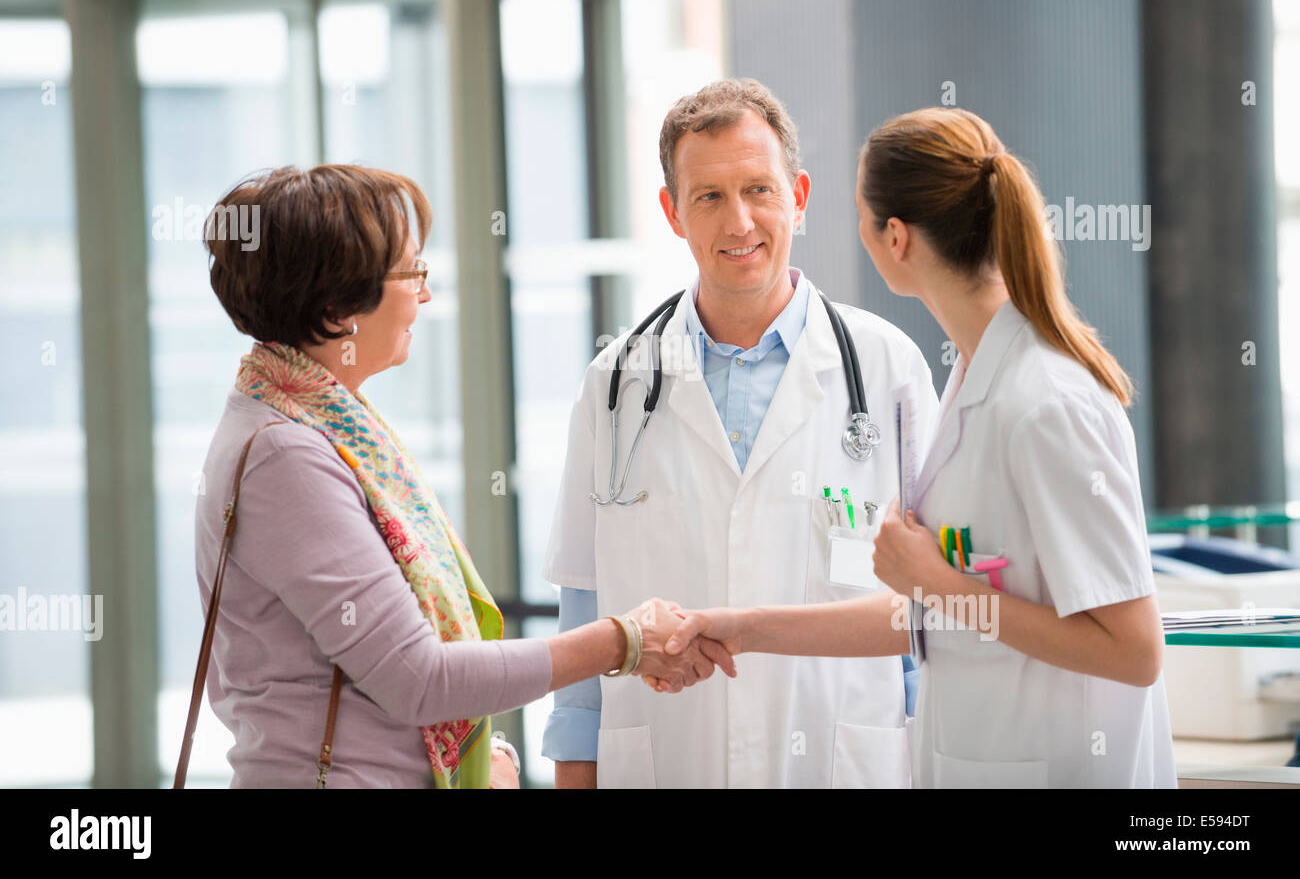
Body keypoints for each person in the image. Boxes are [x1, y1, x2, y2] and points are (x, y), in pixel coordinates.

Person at [658, 107, 1178, 788]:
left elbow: (1136, 650)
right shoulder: (972, 381)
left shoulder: (1046, 401)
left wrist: (936, 580)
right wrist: (746, 626)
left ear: (895, 238)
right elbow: (930, 614)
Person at [191, 164, 731, 789]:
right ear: (339, 306)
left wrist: (485, 754)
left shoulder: (316, 421)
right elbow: (420, 679)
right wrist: (623, 641)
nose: (424, 295)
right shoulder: (286, 457)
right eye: (411, 272)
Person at [541, 80, 940, 788]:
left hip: (845, 764)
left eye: (759, 189)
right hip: (668, 759)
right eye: (709, 197)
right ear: (671, 212)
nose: (739, 222)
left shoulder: (887, 369)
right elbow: (583, 617)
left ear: (800, 196)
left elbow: (931, 613)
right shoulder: (614, 384)